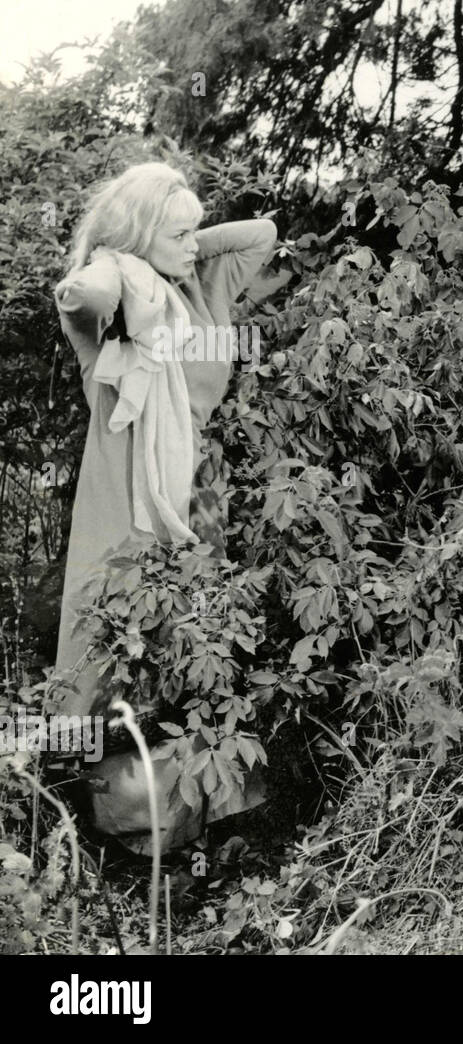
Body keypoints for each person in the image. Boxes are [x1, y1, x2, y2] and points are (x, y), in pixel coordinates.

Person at [51, 161, 278, 854]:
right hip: (127, 501)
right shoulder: (113, 314)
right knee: (108, 658)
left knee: (203, 654)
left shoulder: (203, 290)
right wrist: (127, 258)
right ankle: (97, 827)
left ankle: (213, 831)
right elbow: (76, 292)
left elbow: (259, 235)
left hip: (199, 493)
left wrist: (177, 238)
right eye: (175, 233)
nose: (191, 243)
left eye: (191, 232)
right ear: (140, 237)